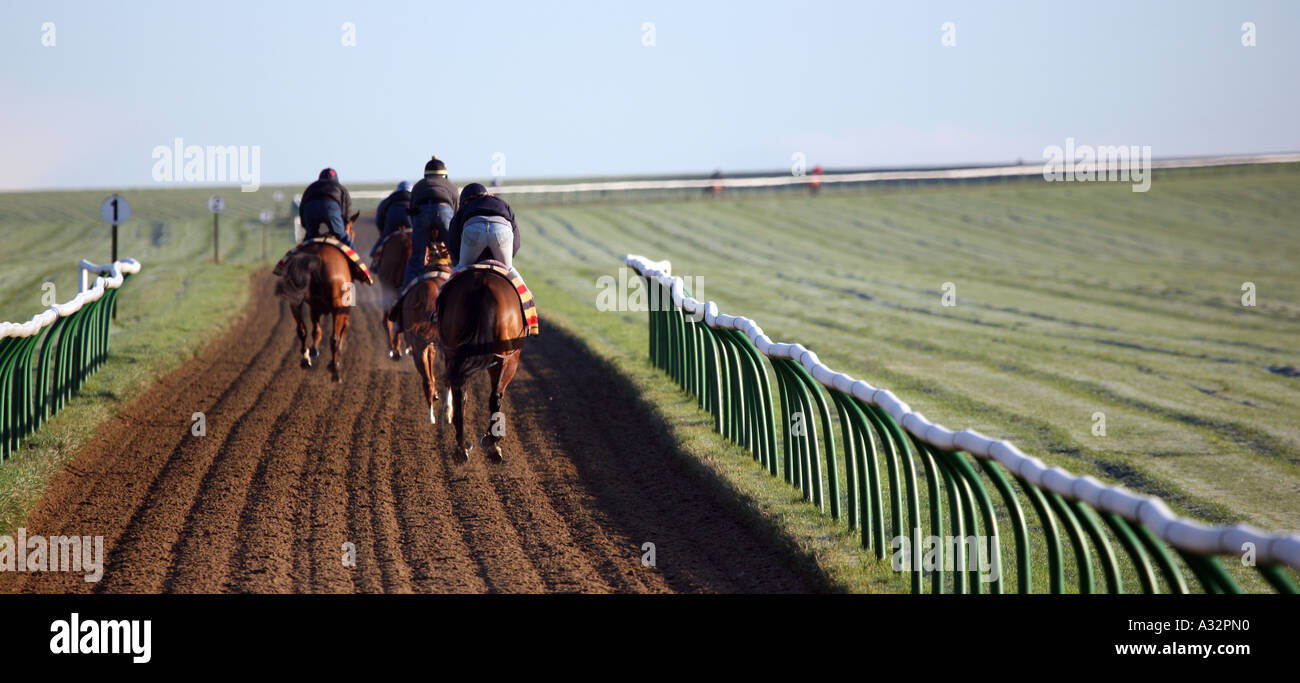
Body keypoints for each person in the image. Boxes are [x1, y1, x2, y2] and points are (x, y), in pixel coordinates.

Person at [402, 157, 459, 288]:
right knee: (456, 255)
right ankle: (462, 287)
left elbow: (412, 213)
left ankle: (404, 294)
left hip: (422, 214)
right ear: (445, 174)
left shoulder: (418, 185)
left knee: (416, 258)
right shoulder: (451, 186)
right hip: (445, 211)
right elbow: (456, 216)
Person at [446, 183, 519, 273]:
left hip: (474, 229)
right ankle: (524, 287)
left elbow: (453, 240)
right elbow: (516, 240)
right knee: (510, 270)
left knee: (460, 268)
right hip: (501, 230)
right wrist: (508, 254)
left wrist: (459, 259)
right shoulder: (502, 203)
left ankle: (443, 287)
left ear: (464, 201)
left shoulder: (464, 207)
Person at [299, 168, 354, 246]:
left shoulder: (311, 187)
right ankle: (356, 258)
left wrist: (307, 228)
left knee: (308, 238)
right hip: (330, 208)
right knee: (344, 238)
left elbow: (302, 208)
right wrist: (344, 225)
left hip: (311, 208)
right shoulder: (341, 188)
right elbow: (347, 212)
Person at [370, 181, 412, 258]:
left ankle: (374, 260)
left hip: (392, 219)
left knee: (383, 241)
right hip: (409, 217)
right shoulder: (415, 198)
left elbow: (379, 219)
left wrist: (383, 233)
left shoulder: (389, 199)